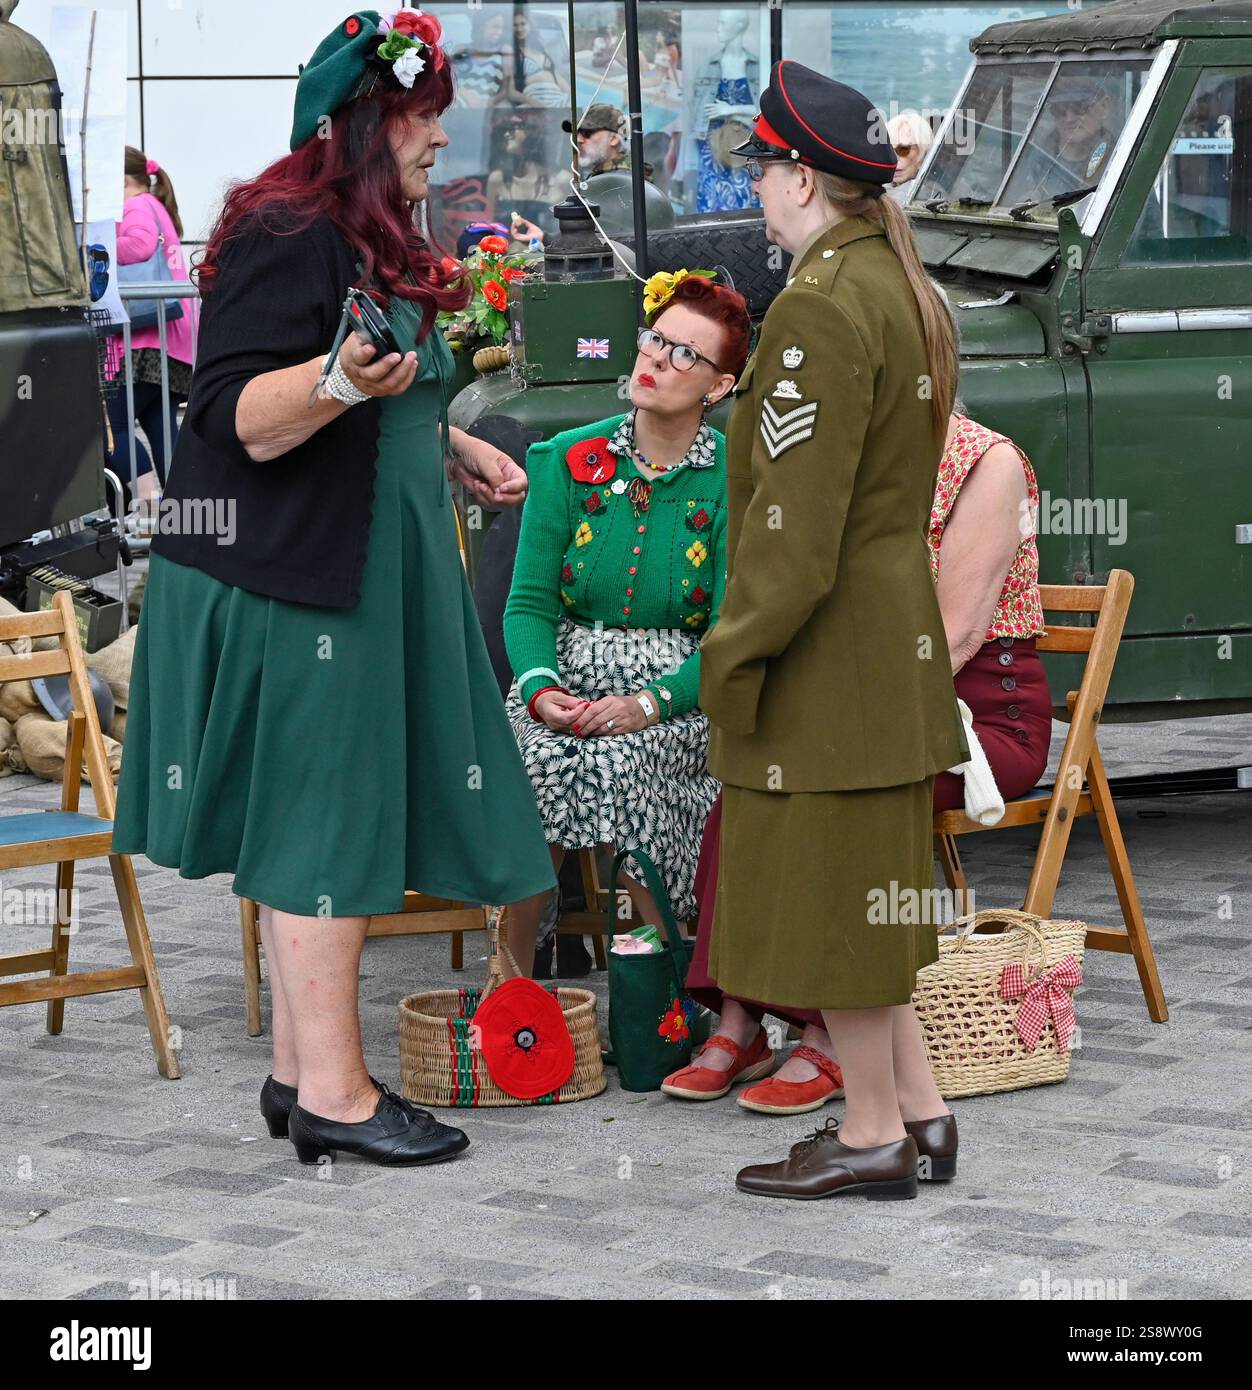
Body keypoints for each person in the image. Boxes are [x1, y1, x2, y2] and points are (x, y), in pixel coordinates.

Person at [112, 8, 556, 1169]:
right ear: (366, 121)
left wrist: (446, 447)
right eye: (424, 120)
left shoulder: (365, 228)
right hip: (301, 578)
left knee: (325, 817)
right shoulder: (285, 229)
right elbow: (235, 413)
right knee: (327, 825)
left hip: (359, 555)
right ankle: (338, 1096)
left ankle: (297, 1075)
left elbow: (380, 390)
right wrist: (338, 382)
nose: (437, 145)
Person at [693, 61, 967, 1201]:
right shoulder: (899, 285)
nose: (754, 190)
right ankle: (919, 1113)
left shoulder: (815, 305)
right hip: (883, 650)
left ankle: (867, 1135)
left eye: (761, 170)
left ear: (801, 177)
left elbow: (791, 529)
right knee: (871, 897)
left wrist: (730, 651)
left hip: (828, 657)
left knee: (840, 910)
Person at [673, 406, 1053, 1115]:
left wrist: (838, 715)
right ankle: (741, 1017)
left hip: (977, 709)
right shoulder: (852, 450)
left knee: (841, 795)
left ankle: (829, 1029)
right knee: (751, 787)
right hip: (865, 695)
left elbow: (956, 631)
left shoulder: (986, 460)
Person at [501, 271, 751, 978]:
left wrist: (648, 705)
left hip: (678, 696)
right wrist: (541, 689)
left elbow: (731, 633)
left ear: (718, 388)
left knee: (625, 764)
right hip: (565, 680)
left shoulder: (735, 481)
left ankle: (657, 991)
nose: (653, 361)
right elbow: (528, 606)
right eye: (655, 340)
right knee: (534, 761)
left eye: (683, 356)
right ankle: (513, 977)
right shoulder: (567, 462)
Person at [107, 147, 198, 499]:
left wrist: (93, 246)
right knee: (160, 427)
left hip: (147, 340)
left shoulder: (136, 205)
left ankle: (148, 507)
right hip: (172, 337)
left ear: (122, 179)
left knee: (111, 428)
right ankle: (184, 513)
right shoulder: (156, 205)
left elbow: (140, 245)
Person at [560, 103, 652, 179]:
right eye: (577, 133)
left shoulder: (624, 180)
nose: (578, 140)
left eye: (587, 133)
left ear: (613, 139)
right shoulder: (606, 175)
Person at [504, 11, 568, 108]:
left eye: (523, 24)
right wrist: (532, 102)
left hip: (558, 98)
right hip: (534, 100)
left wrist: (572, 96)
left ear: (530, 25)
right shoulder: (511, 51)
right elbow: (510, 91)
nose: (519, 28)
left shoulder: (541, 50)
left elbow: (556, 77)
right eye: (515, 25)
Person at [886, 111, 934, 203]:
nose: (894, 159)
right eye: (889, 149)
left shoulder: (930, 193)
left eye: (904, 149)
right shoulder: (875, 188)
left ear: (923, 153)